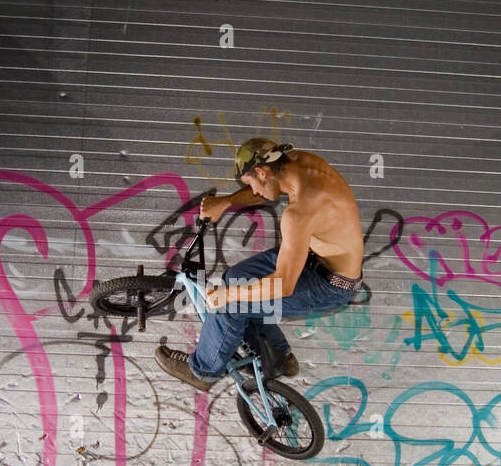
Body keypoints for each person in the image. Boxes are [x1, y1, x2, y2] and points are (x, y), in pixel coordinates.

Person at [155, 138, 365, 391]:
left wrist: (230, 295)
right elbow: (267, 188)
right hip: (314, 258)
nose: (253, 191)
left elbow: (284, 285)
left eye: (250, 183)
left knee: (233, 302)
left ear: (262, 172)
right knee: (237, 276)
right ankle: (280, 358)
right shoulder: (300, 163)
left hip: (330, 286)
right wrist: (227, 201)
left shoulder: (298, 215)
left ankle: (203, 371)